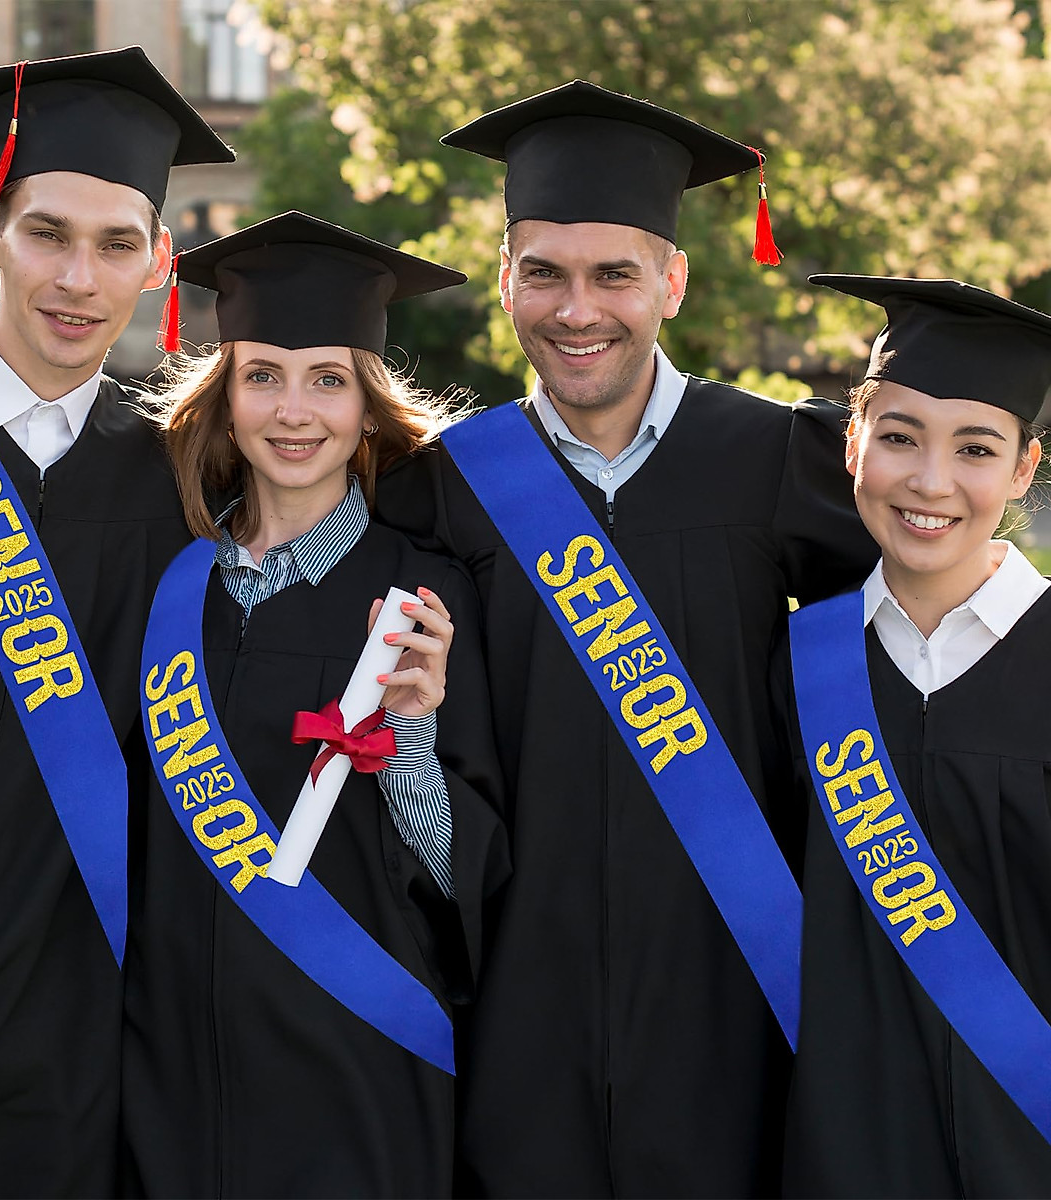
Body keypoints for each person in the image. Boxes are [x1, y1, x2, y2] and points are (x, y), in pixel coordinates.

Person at [374, 79, 879, 1198]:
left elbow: (937, 596)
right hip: (516, 998)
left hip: (732, 987)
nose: (577, 309)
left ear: (672, 282)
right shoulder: (448, 488)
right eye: (544, 272)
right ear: (505, 281)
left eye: (614, 274)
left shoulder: (774, 459)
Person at [0, 47, 233, 1197]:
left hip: (54, 1056)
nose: (78, 278)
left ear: (159, 262)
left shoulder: (179, 488)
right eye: (47, 234)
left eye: (117, 244)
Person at [121, 211, 509, 1199]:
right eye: (263, 377)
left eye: (328, 379)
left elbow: (471, 872)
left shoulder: (424, 599)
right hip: (164, 1079)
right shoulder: (168, 591)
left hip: (356, 1068)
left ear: (369, 406)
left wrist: (412, 742)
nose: (294, 412)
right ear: (226, 394)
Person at [780, 274, 1051, 1198]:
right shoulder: (798, 668)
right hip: (841, 1149)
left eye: (976, 449)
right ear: (852, 444)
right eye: (898, 437)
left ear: (1023, 468)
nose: (931, 482)